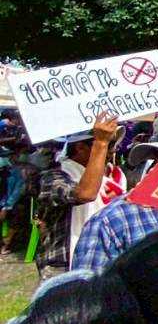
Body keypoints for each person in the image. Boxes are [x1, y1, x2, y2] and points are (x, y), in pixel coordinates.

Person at [34, 114, 120, 280]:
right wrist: (101, 143)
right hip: (64, 267)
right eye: (110, 145)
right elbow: (85, 193)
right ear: (80, 147)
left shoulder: (113, 176)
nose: (112, 150)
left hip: (102, 260)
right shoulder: (53, 177)